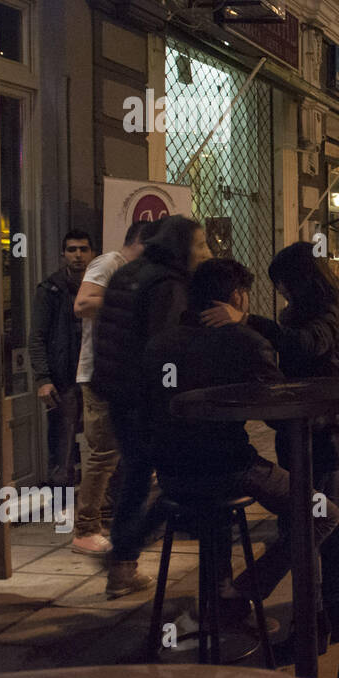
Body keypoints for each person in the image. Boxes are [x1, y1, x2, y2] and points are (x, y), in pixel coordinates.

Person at [144, 259, 339, 638]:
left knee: (216, 513)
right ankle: (242, 593)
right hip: (229, 468)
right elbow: (280, 415)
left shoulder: (160, 343)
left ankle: (219, 606)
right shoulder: (245, 342)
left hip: (172, 475)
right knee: (324, 514)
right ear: (237, 296)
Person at [206, 241, 339, 639]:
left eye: (284, 283)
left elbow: (304, 345)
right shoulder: (297, 312)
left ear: (301, 280)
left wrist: (247, 320)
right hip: (297, 428)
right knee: (317, 521)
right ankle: (324, 612)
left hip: (321, 432)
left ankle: (319, 617)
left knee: (317, 521)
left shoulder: (327, 315)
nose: (282, 292)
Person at [93, 215, 212, 596]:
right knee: (187, 478)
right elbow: (166, 350)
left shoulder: (129, 273)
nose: (206, 252)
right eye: (200, 244)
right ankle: (128, 548)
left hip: (119, 394)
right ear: (181, 247)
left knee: (136, 477)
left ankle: (122, 567)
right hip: (147, 401)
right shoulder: (167, 284)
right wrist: (176, 401)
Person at [70, 221, 158, 555]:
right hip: (99, 374)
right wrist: (129, 299)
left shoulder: (131, 270)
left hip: (122, 376)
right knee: (103, 455)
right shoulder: (108, 263)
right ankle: (85, 528)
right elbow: (82, 305)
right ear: (141, 243)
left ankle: (109, 521)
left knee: (123, 456)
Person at [30, 229, 94, 486]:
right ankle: (62, 507)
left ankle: (95, 504)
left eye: (83, 249)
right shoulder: (51, 289)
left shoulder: (98, 287)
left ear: (92, 253)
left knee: (99, 443)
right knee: (62, 445)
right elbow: (37, 337)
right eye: (72, 250)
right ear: (63, 254)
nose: (77, 255)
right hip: (64, 378)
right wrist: (43, 378)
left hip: (93, 376)